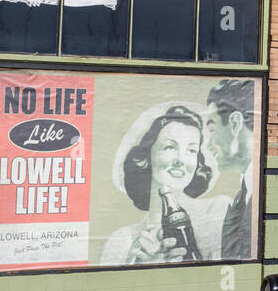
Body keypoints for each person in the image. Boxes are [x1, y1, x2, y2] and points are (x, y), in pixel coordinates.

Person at [100, 105, 228, 265]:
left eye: (192, 150)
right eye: (170, 147)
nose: (181, 160)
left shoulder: (218, 211)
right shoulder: (122, 241)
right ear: (147, 156)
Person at [204, 79, 255, 259]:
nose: (208, 145)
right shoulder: (244, 193)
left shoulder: (259, 192)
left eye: (212, 129)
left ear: (234, 123)